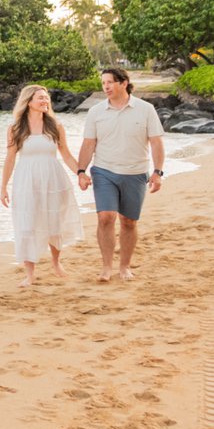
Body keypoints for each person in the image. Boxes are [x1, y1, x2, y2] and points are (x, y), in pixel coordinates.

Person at [74, 68, 165, 283]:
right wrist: (81, 171)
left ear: (124, 83)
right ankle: (106, 267)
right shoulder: (96, 112)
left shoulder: (145, 109)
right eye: (103, 83)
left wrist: (158, 172)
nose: (105, 86)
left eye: (110, 82)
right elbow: (88, 144)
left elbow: (156, 142)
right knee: (106, 217)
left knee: (129, 222)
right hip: (104, 171)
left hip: (135, 173)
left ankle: (125, 266)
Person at [0, 85, 82, 288]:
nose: (45, 101)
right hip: (26, 181)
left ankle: (56, 263)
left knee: (54, 221)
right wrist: (3, 187)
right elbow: (10, 159)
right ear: (28, 102)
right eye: (40, 98)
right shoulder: (16, 128)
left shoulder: (55, 126)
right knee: (27, 224)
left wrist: (81, 173)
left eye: (46, 98)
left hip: (53, 180)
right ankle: (30, 274)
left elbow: (66, 155)